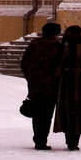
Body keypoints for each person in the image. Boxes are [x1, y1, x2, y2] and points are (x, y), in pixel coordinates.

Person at [20, 21, 62, 150]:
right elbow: (60, 66)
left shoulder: (34, 44)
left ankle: (38, 139)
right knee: (46, 115)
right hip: (50, 87)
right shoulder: (58, 47)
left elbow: (24, 63)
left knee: (37, 114)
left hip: (36, 86)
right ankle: (41, 140)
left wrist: (31, 78)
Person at [54, 25, 81, 150]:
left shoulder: (64, 46)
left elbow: (59, 63)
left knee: (67, 108)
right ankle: (75, 141)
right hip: (80, 79)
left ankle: (68, 138)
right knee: (79, 109)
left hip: (66, 79)